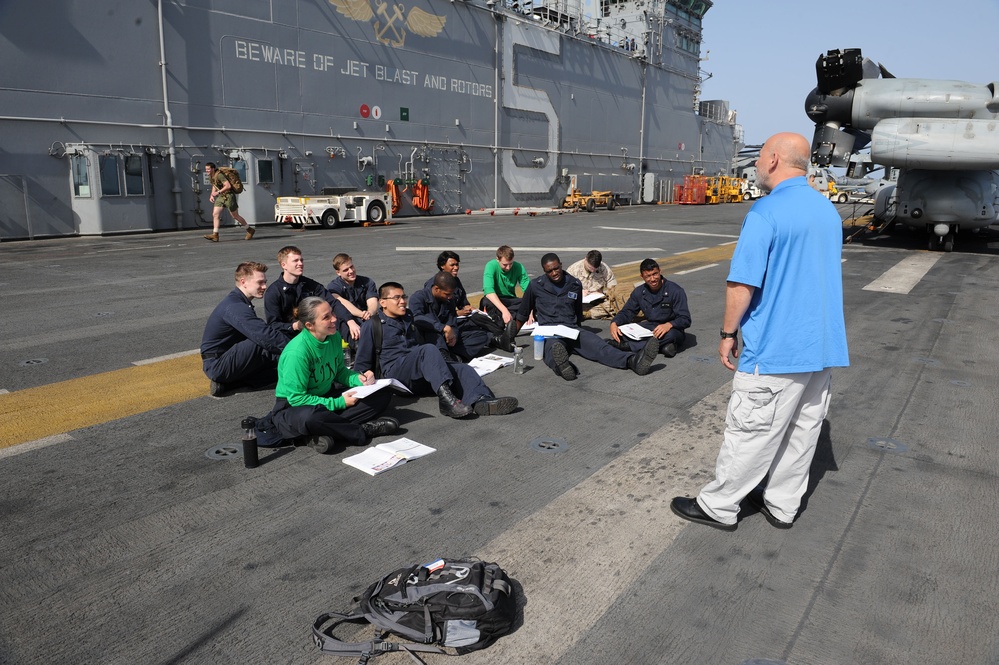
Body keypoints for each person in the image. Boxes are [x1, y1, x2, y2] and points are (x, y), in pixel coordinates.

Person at [670, 132, 849, 531]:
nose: (755, 166)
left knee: (750, 431)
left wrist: (727, 333)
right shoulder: (827, 211)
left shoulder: (766, 213)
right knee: (801, 434)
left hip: (776, 346)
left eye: (759, 159)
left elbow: (741, 285)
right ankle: (782, 505)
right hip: (821, 346)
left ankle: (719, 505)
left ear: (771, 160)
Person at [255, 297, 399, 453]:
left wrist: (358, 379)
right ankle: (362, 430)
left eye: (332, 313)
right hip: (295, 407)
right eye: (326, 317)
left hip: (326, 396)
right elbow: (297, 398)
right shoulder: (297, 353)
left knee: (382, 394)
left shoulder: (334, 337)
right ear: (310, 325)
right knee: (311, 417)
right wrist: (339, 403)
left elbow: (338, 371)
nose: (334, 319)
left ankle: (321, 433)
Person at [354, 282, 518, 418]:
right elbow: (361, 364)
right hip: (398, 376)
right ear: (382, 302)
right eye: (396, 298)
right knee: (427, 350)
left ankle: (481, 400)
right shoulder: (372, 325)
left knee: (462, 368)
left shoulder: (409, 317)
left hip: (420, 371)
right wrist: (364, 377)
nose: (402, 301)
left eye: (403, 297)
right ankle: (447, 402)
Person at [515, 253, 659, 381]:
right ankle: (564, 367)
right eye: (549, 271)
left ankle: (633, 361)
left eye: (556, 268)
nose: (554, 273)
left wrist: (580, 332)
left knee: (599, 346)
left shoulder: (574, 284)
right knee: (552, 349)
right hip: (550, 332)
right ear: (544, 271)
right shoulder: (535, 286)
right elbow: (522, 313)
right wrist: (510, 336)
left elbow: (578, 312)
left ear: (561, 265)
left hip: (572, 330)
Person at [200, 262, 289, 396]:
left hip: (229, 358)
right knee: (262, 342)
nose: (264, 286)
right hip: (217, 364)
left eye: (265, 282)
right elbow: (263, 334)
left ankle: (232, 385)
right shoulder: (235, 306)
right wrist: (297, 349)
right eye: (260, 283)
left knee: (279, 367)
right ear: (243, 282)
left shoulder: (240, 302)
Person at [426, 250, 511, 350]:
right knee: (476, 326)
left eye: (457, 264)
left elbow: (463, 302)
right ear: (442, 266)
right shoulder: (433, 286)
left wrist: (468, 308)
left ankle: (501, 336)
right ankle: (500, 337)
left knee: (478, 318)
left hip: (458, 318)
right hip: (446, 323)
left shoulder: (455, 280)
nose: (456, 267)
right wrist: (458, 313)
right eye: (452, 265)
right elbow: (437, 315)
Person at [609, 258, 691, 357]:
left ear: (660, 271)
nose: (652, 279)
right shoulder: (639, 292)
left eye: (655, 274)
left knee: (672, 336)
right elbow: (627, 311)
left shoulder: (675, 291)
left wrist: (669, 325)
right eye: (648, 276)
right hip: (650, 327)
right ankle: (664, 347)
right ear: (642, 277)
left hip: (671, 329)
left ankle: (629, 346)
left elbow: (685, 319)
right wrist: (614, 323)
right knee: (621, 331)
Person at [410, 271, 496, 361]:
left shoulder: (449, 300)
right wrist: (443, 328)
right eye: (447, 294)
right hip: (429, 337)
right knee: (433, 330)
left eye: (451, 294)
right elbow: (416, 318)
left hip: (446, 337)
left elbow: (452, 319)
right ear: (436, 289)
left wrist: (453, 336)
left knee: (480, 336)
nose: (450, 297)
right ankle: (443, 356)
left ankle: (454, 356)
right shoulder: (418, 297)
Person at [263, 246, 336, 338]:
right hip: (288, 337)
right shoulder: (273, 292)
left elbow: (333, 302)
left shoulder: (311, 285)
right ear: (283, 265)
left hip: (313, 333)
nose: (300, 263)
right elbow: (273, 324)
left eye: (301, 260)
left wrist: (350, 321)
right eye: (295, 261)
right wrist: (294, 326)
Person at [326, 253, 379, 351]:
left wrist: (370, 313)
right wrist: (362, 314)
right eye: (346, 270)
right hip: (347, 319)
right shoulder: (333, 287)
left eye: (351, 267)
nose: (351, 271)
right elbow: (343, 304)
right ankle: (360, 351)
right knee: (344, 323)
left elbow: (373, 301)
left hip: (367, 316)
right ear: (338, 272)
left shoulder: (367, 282)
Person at [482, 245, 530, 334]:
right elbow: (488, 291)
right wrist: (504, 311)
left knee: (532, 303)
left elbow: (529, 290)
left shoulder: (518, 266)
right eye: (505, 265)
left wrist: (530, 308)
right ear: (497, 259)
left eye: (511, 264)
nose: (508, 267)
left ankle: (506, 320)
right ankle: (506, 321)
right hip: (495, 300)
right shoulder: (491, 265)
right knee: (486, 302)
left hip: (510, 300)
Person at [566, 249, 626, 319]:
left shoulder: (603, 268)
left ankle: (588, 314)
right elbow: (566, 290)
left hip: (598, 300)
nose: (593, 271)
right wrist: (579, 292)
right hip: (580, 301)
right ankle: (589, 313)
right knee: (569, 307)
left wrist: (604, 294)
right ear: (585, 259)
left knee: (616, 305)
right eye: (590, 268)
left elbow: (613, 287)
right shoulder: (573, 270)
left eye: (595, 269)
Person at [202, 162, 254, 242]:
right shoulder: (210, 176)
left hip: (229, 196)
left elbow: (228, 186)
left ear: (212, 168)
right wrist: (212, 195)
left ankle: (249, 229)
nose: (207, 171)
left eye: (208, 169)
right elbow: (214, 185)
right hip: (221, 197)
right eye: (206, 169)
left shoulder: (219, 175)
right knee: (215, 214)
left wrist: (218, 192)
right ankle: (215, 235)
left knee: (235, 216)